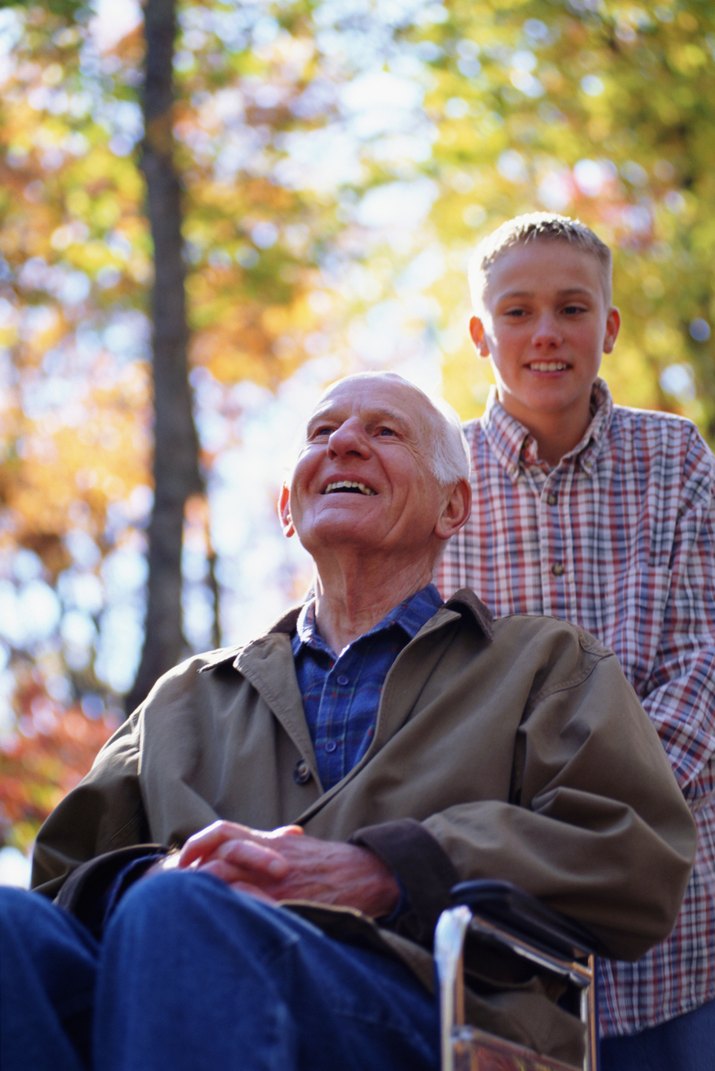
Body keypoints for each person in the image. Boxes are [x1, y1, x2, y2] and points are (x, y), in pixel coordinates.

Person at [0, 372, 695, 1071]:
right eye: (320, 433)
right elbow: (62, 879)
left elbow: (630, 854)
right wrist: (148, 878)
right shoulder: (182, 698)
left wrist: (390, 870)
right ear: (286, 506)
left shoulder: (542, 665)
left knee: (182, 916)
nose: (344, 446)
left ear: (452, 507)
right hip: (163, 981)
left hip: (434, 1012)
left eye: (384, 432)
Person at [435, 211, 715, 1070]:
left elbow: (703, 664)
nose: (545, 333)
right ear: (481, 334)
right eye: (516, 312)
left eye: (571, 307)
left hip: (683, 923)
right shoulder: (438, 481)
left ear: (609, 326)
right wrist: (524, 838)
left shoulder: (674, 459)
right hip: (506, 946)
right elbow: (423, 699)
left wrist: (591, 820)